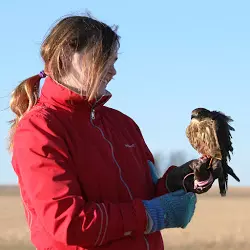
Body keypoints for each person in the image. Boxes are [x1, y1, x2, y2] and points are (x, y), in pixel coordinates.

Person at [9, 14, 214, 250]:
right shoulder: (40, 128)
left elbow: (146, 196)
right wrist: (151, 215)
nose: (113, 71)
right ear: (66, 56)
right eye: (104, 59)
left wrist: (180, 180)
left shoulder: (123, 124)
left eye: (114, 60)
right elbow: (68, 222)